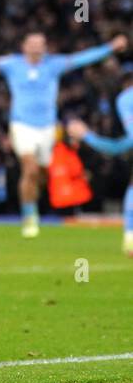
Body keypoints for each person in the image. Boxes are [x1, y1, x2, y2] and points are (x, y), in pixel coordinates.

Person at [0, 30, 125, 236]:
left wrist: (110, 47)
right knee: (29, 169)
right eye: (33, 43)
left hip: (47, 128)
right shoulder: (13, 64)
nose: (37, 47)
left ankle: (34, 203)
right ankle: (29, 216)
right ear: (24, 47)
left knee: (41, 175)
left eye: (41, 44)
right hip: (22, 126)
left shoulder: (54, 65)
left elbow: (83, 58)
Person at [67, 75, 133, 255]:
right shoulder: (126, 100)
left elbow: (118, 147)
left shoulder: (125, 100)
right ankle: (130, 237)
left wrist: (86, 135)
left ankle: (130, 236)